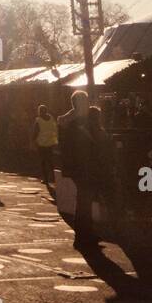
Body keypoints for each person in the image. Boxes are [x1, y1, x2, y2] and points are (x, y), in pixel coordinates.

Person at [58, 90, 96, 248]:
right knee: (84, 200)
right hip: (82, 166)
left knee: (84, 199)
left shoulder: (70, 122)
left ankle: (84, 234)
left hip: (77, 166)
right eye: (86, 101)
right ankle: (83, 235)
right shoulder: (77, 124)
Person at [32, 103, 59, 186]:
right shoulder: (51, 118)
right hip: (50, 142)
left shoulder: (38, 120)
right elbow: (55, 129)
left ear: (40, 111)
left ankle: (46, 179)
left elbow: (36, 132)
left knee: (43, 162)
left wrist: (33, 140)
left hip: (41, 143)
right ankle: (54, 178)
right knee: (50, 161)